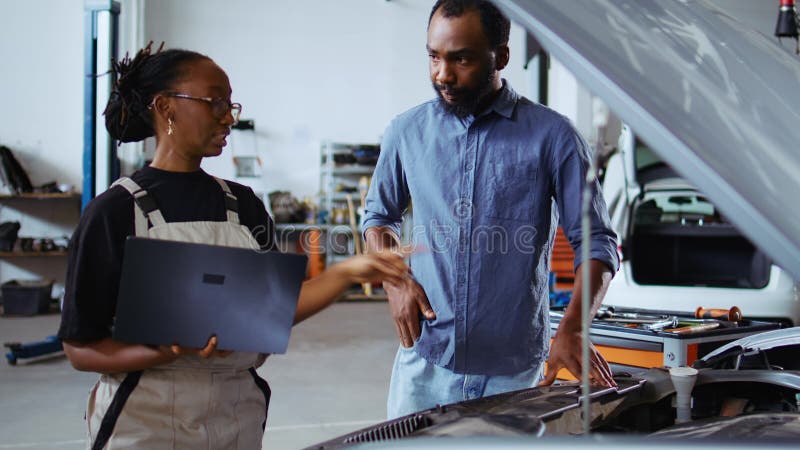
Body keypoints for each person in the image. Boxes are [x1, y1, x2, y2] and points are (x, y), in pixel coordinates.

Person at [57, 42, 408, 449]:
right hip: (145, 421)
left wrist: (348, 271)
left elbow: (274, 309)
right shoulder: (115, 212)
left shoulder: (243, 206)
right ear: (166, 108)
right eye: (215, 103)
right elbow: (81, 349)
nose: (228, 117)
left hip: (235, 419)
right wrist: (163, 353)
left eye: (231, 105)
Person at [362, 0, 620, 419]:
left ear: (500, 56)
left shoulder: (554, 137)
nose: (442, 75)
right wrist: (396, 282)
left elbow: (598, 244)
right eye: (433, 57)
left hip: (512, 374)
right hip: (425, 363)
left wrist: (573, 327)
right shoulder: (406, 132)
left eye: (460, 59)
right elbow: (378, 217)